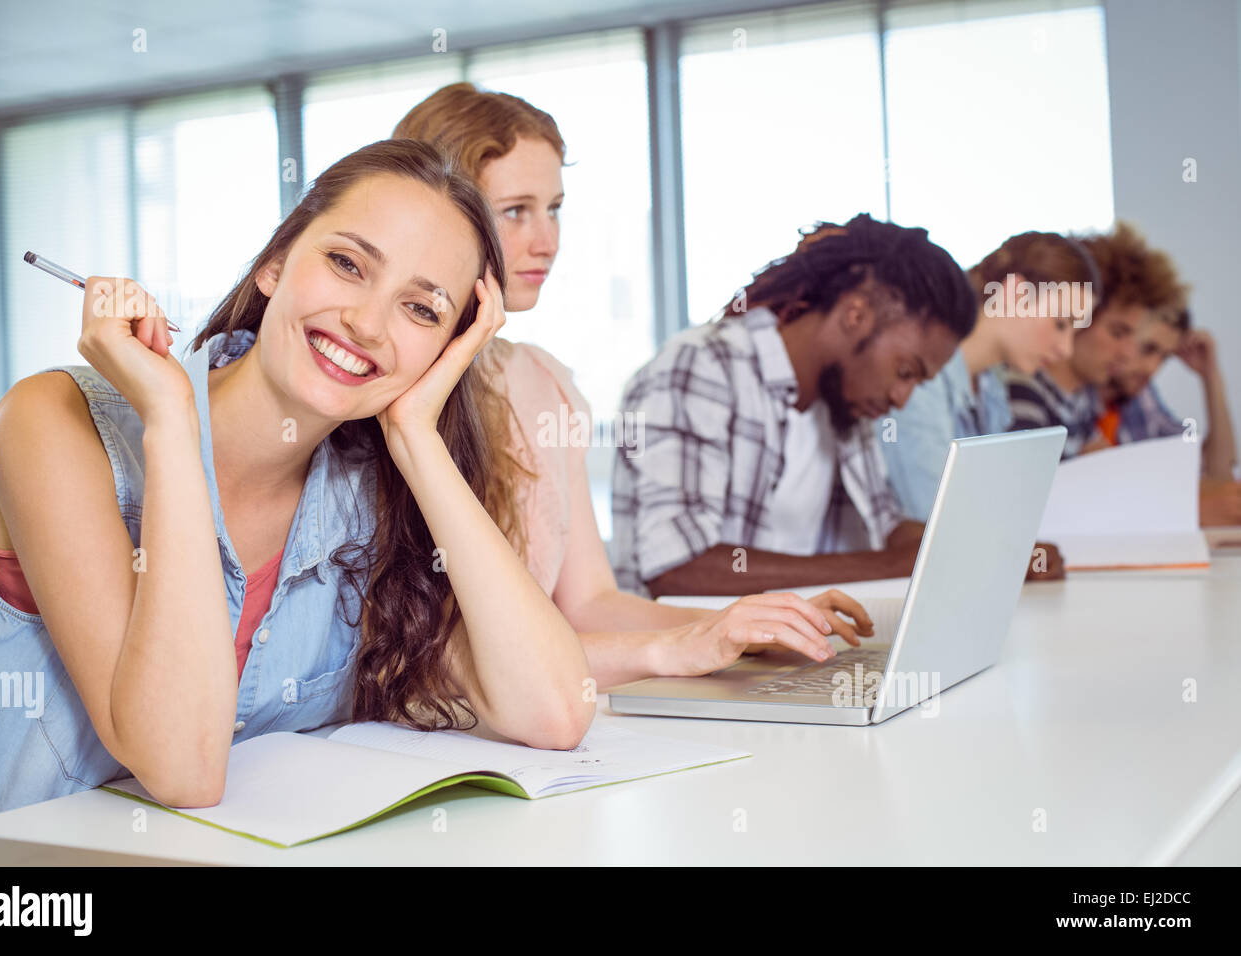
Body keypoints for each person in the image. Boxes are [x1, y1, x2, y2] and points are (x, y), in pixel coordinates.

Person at [0, 140, 598, 825]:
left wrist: (416, 437)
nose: (367, 324)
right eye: (347, 264)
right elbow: (181, 766)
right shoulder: (53, 422)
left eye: (422, 310)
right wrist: (169, 419)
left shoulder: (367, 494)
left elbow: (553, 710)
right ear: (274, 264)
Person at [392, 84, 870, 688]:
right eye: (516, 211)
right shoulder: (391, 392)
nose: (548, 240)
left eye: (555, 208)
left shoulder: (543, 383)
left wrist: (744, 625)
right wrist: (675, 649)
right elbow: (436, 658)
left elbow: (588, 604)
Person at [612, 213, 979, 598]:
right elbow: (678, 567)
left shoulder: (845, 401)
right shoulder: (701, 366)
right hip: (694, 654)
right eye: (905, 371)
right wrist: (890, 566)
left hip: (794, 651)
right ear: (856, 316)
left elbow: (887, 527)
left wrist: (983, 552)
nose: (901, 399)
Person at [880, 231, 1099, 529]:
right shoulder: (919, 384)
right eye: (1061, 323)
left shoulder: (991, 389)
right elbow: (934, 522)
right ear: (1016, 295)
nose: (1066, 349)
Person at [1004, 222, 1186, 458]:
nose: (1128, 354)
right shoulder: (1024, 395)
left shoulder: (1083, 403)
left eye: (1134, 337)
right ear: (1079, 317)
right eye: (1117, 333)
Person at [1092, 306, 1241, 525]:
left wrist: (1210, 376)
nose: (1153, 368)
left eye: (1164, 357)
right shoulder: (1074, 402)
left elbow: (1219, 472)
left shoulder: (1141, 400)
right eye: (1148, 349)